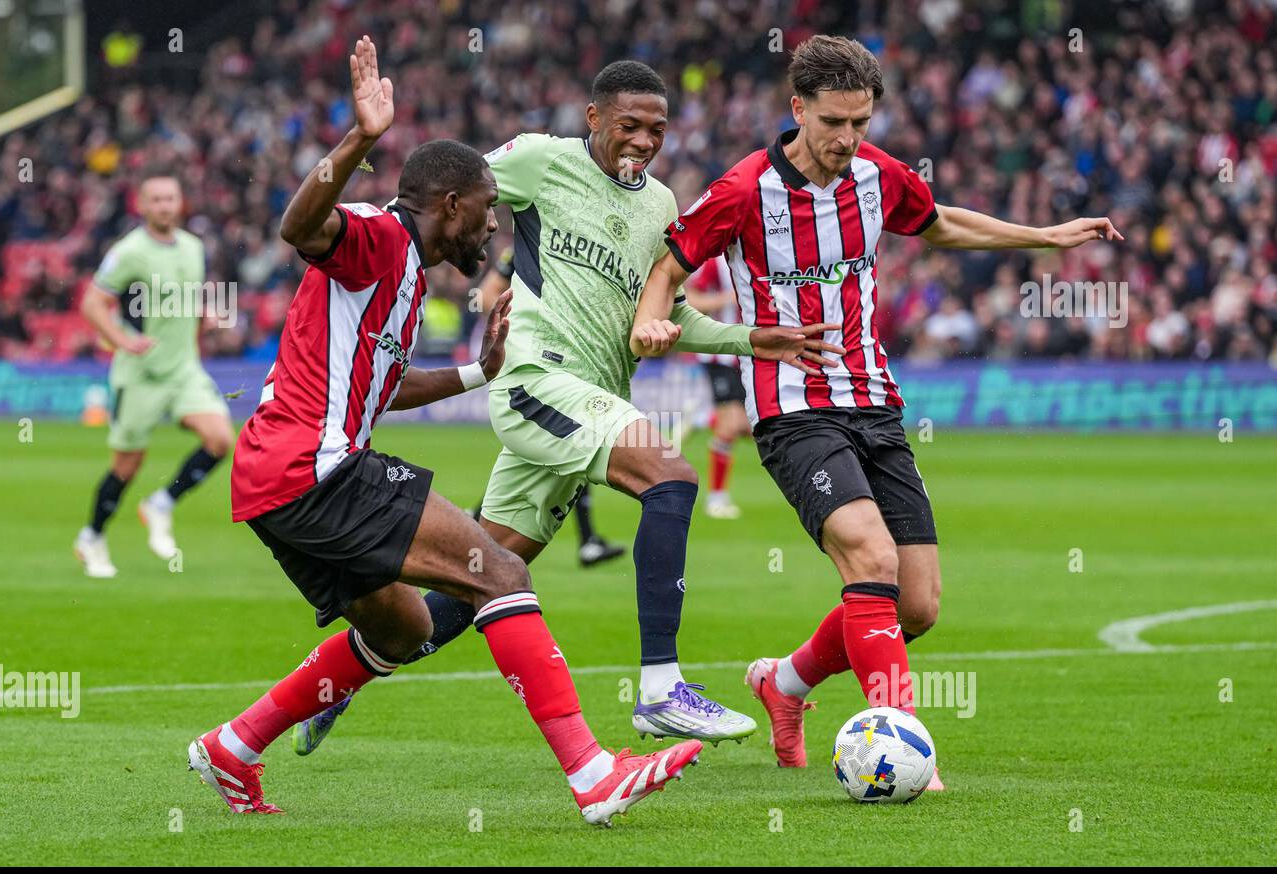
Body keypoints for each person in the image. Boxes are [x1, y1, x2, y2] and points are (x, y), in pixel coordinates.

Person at [188, 37, 702, 826]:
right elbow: (301, 227)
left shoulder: (404, 280)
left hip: (275, 484)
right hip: (314, 468)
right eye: (488, 209)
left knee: (404, 630)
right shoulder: (380, 237)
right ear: (451, 204)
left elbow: (387, 386)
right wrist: (361, 137)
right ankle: (595, 774)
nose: (492, 225)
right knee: (498, 570)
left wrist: (478, 372)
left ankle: (235, 743)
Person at [294, 60, 842, 755]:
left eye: (658, 129)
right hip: (537, 381)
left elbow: (666, 316)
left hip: (592, 400)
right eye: (629, 126)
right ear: (593, 119)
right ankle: (661, 686)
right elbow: (447, 193)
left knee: (472, 584)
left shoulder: (662, 206)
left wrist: (751, 338)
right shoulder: (538, 161)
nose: (644, 141)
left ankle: (328, 688)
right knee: (670, 476)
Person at [634, 34, 1122, 781]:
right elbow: (672, 261)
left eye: (861, 122)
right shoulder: (743, 190)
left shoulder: (874, 174)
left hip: (876, 403)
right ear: (797, 109)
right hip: (793, 406)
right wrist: (650, 316)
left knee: (918, 604)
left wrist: (1043, 238)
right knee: (871, 556)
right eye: (833, 122)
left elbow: (940, 223)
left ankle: (785, 680)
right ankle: (902, 744)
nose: (848, 139)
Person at [73, 169, 235, 577]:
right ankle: (91, 537)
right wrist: (122, 341)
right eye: (156, 199)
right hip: (140, 374)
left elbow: (187, 297)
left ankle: (161, 503)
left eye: (171, 198)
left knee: (219, 439)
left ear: (180, 203)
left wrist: (205, 316)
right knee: (128, 465)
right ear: (142, 206)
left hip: (183, 370)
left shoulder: (194, 247)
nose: (164, 205)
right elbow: (93, 304)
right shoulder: (129, 251)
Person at [476, 247, 627, 568]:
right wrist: (530, 325)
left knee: (572, 449)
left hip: (576, 368)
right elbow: (489, 293)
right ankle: (476, 527)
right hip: (533, 369)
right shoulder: (531, 239)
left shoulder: (588, 246)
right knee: (573, 447)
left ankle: (477, 529)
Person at [685, 255, 750, 519]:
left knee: (751, 428)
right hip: (720, 355)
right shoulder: (716, 264)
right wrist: (726, 299)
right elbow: (691, 299)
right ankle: (716, 498)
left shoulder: (761, 255)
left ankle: (704, 418)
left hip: (747, 357)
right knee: (730, 426)